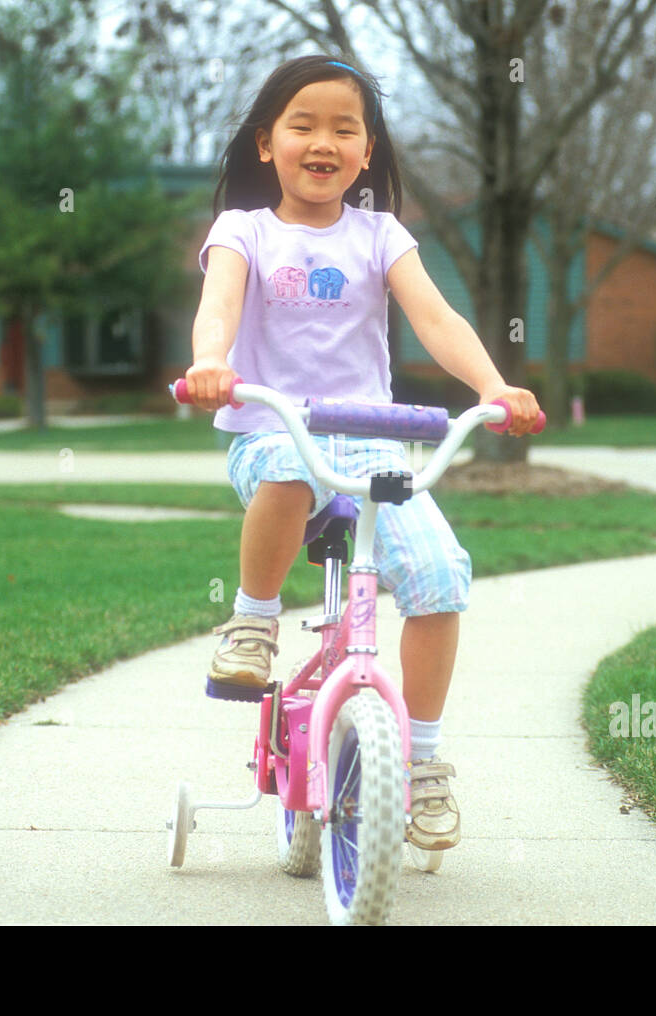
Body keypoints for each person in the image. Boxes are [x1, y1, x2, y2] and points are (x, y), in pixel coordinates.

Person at [184, 54, 541, 851]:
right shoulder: (245, 231)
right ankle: (253, 624)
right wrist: (213, 365)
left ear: (367, 151)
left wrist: (495, 386)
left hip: (377, 444)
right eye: (303, 125)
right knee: (287, 469)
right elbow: (219, 307)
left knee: (442, 575)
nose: (324, 141)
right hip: (273, 429)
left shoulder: (380, 235)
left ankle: (418, 763)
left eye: (345, 128)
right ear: (265, 143)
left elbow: (438, 318)